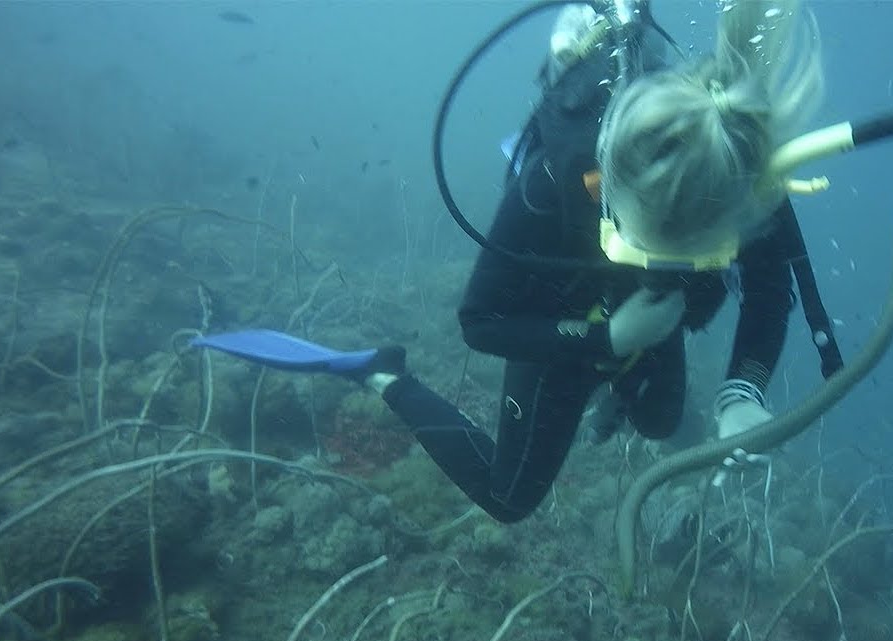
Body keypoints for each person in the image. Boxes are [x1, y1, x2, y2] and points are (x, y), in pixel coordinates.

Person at [359, 0, 844, 523]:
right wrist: (605, 340)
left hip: (652, 325)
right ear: (608, 194)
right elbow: (479, 323)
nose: (657, 270)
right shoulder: (554, 181)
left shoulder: (736, 176)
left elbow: (770, 290)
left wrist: (741, 391)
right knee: (510, 500)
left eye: (699, 256)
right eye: (641, 250)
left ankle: (616, 385)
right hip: (558, 325)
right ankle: (386, 376)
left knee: (663, 423)